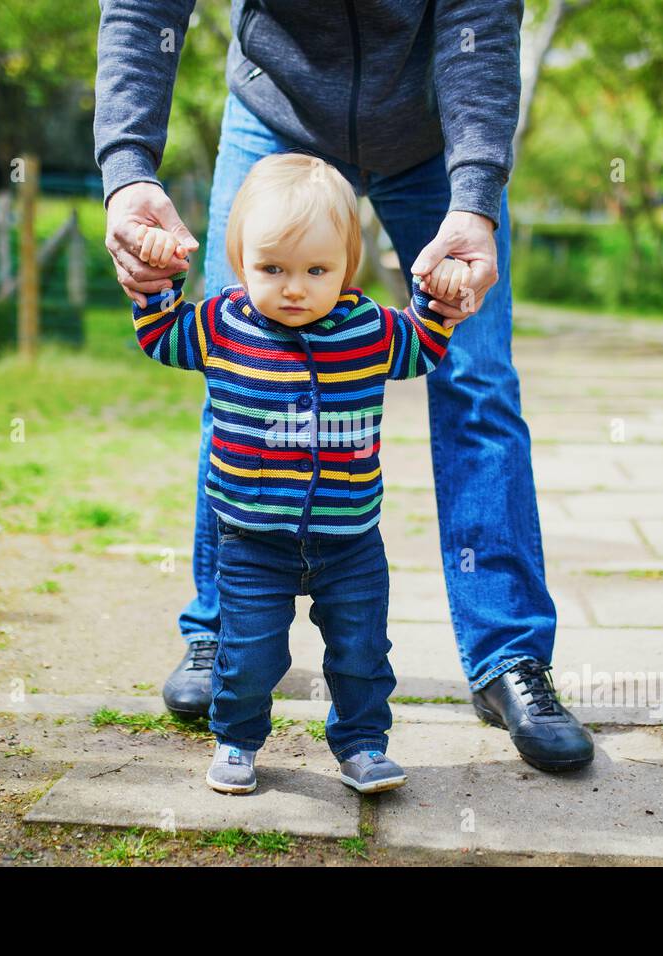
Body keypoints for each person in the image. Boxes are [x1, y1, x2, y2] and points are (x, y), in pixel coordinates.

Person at [94, 0, 595, 773]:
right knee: (240, 364)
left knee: (480, 381)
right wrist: (126, 172)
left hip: (433, 130)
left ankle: (507, 659)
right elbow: (141, 7)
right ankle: (219, 632)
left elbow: (482, 21)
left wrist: (476, 196)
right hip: (277, 112)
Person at [129, 153, 469, 794]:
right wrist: (154, 285)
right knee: (251, 655)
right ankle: (236, 738)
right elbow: (160, 337)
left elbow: (422, 345)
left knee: (362, 654)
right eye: (272, 269)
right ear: (240, 262)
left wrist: (441, 303)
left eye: (317, 270)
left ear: (348, 264)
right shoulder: (220, 324)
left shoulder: (369, 328)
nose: (294, 288)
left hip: (351, 541)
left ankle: (364, 745)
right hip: (253, 541)